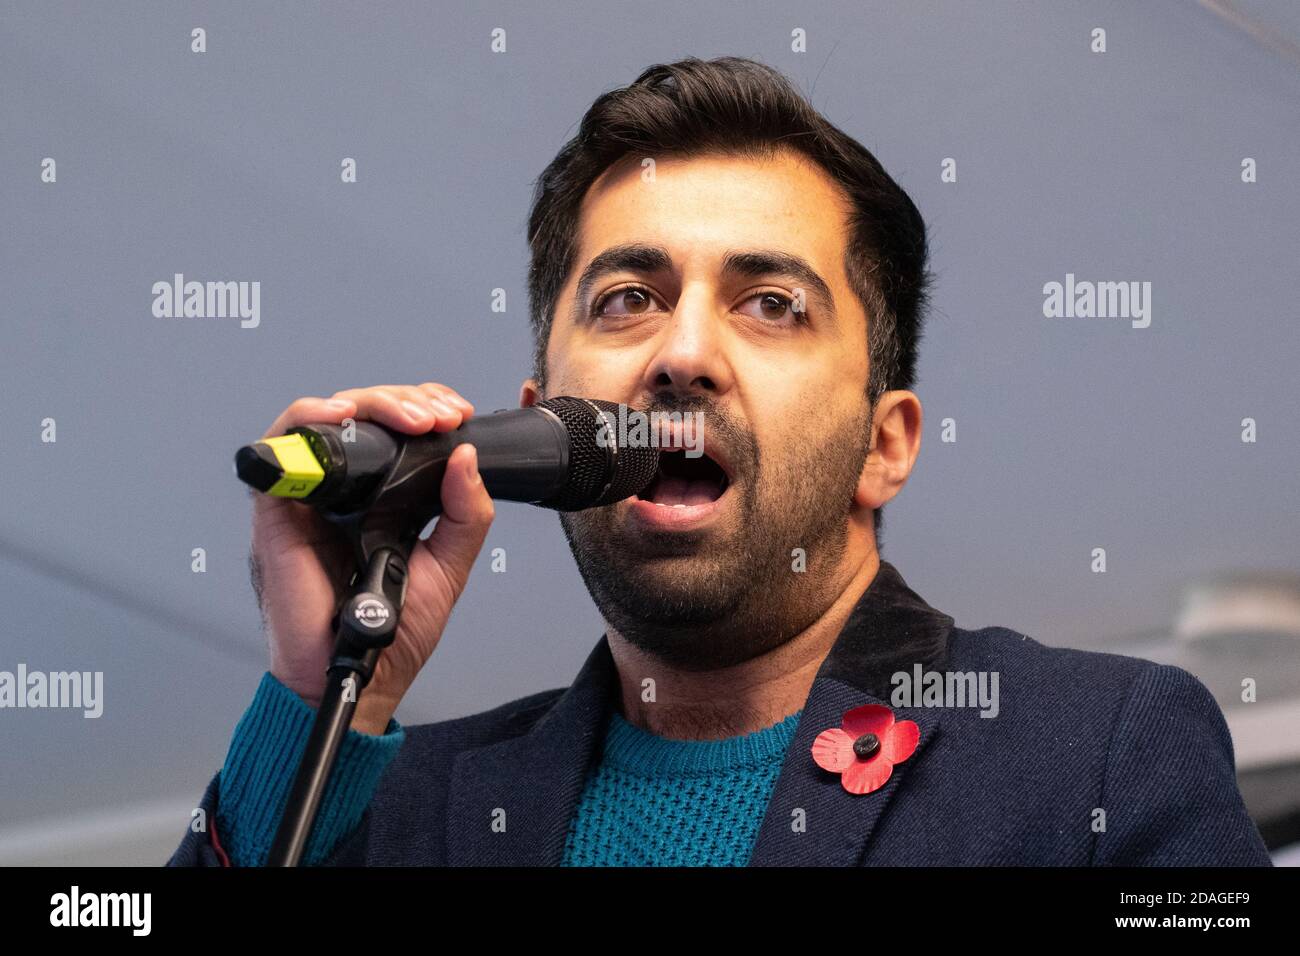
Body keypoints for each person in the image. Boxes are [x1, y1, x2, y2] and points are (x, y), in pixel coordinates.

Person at [168, 56, 1270, 867]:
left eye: (772, 304)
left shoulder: (1097, 752)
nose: (683, 353)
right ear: (539, 424)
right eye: (627, 300)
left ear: (882, 446)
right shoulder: (401, 812)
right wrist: (318, 698)